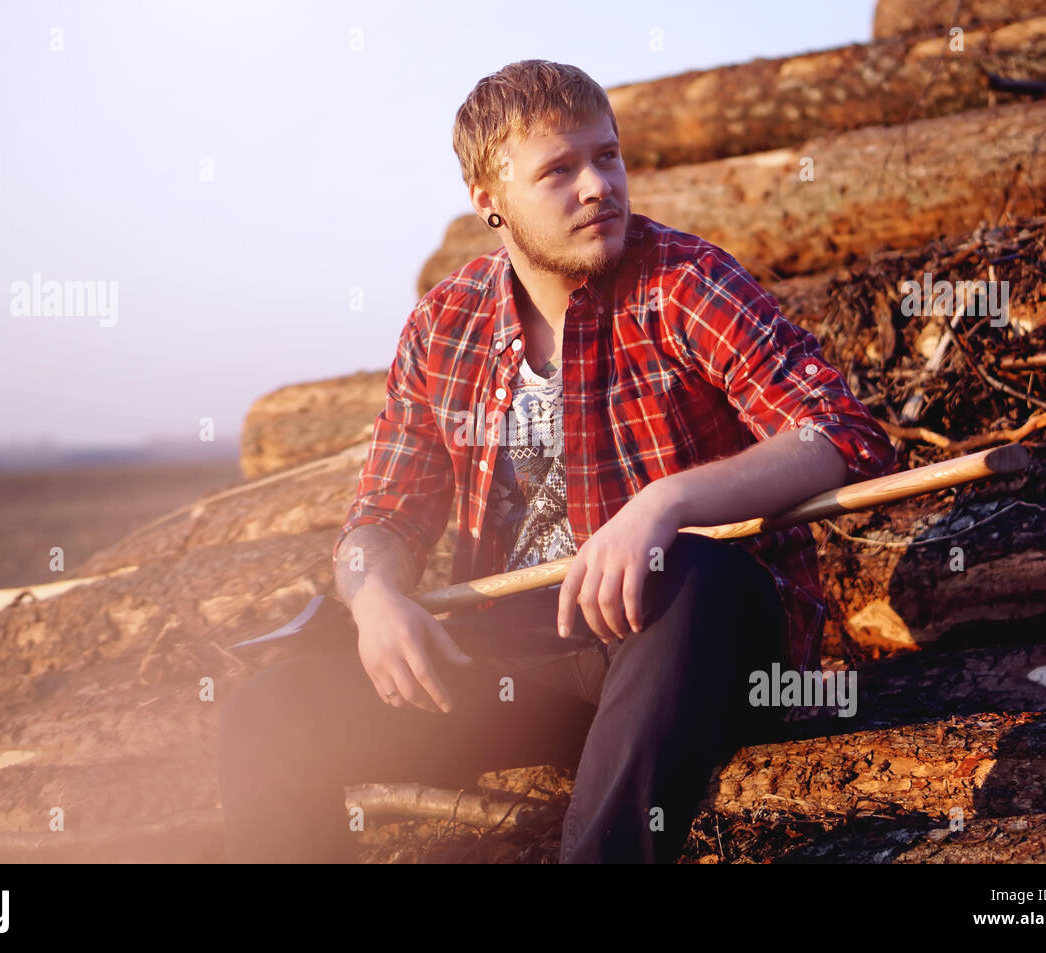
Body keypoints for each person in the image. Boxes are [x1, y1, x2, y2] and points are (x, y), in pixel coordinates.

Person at [218, 59, 896, 863]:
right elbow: (382, 517)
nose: (597, 187)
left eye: (607, 156)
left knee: (688, 571)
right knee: (270, 710)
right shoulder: (445, 325)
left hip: (690, 644)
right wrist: (373, 598)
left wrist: (663, 506)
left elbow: (841, 433)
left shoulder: (682, 281)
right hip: (529, 658)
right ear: (489, 199)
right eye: (558, 170)